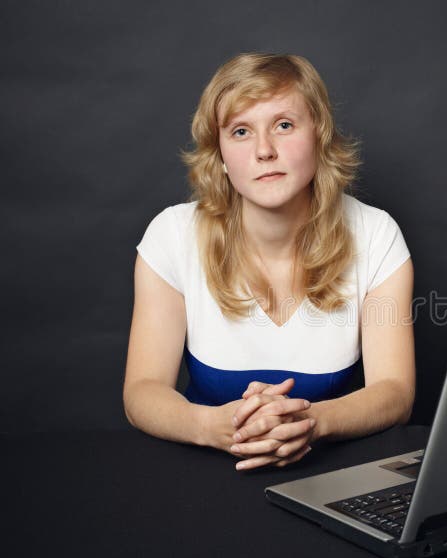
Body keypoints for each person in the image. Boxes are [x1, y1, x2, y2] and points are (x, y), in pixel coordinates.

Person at [123, 53, 415, 471]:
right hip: (199, 475)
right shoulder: (172, 235)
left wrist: (312, 422)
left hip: (329, 476)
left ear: (318, 135)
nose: (264, 150)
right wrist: (212, 427)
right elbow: (142, 390)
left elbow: (395, 392)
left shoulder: (376, 234)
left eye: (284, 125)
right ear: (220, 154)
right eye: (241, 131)